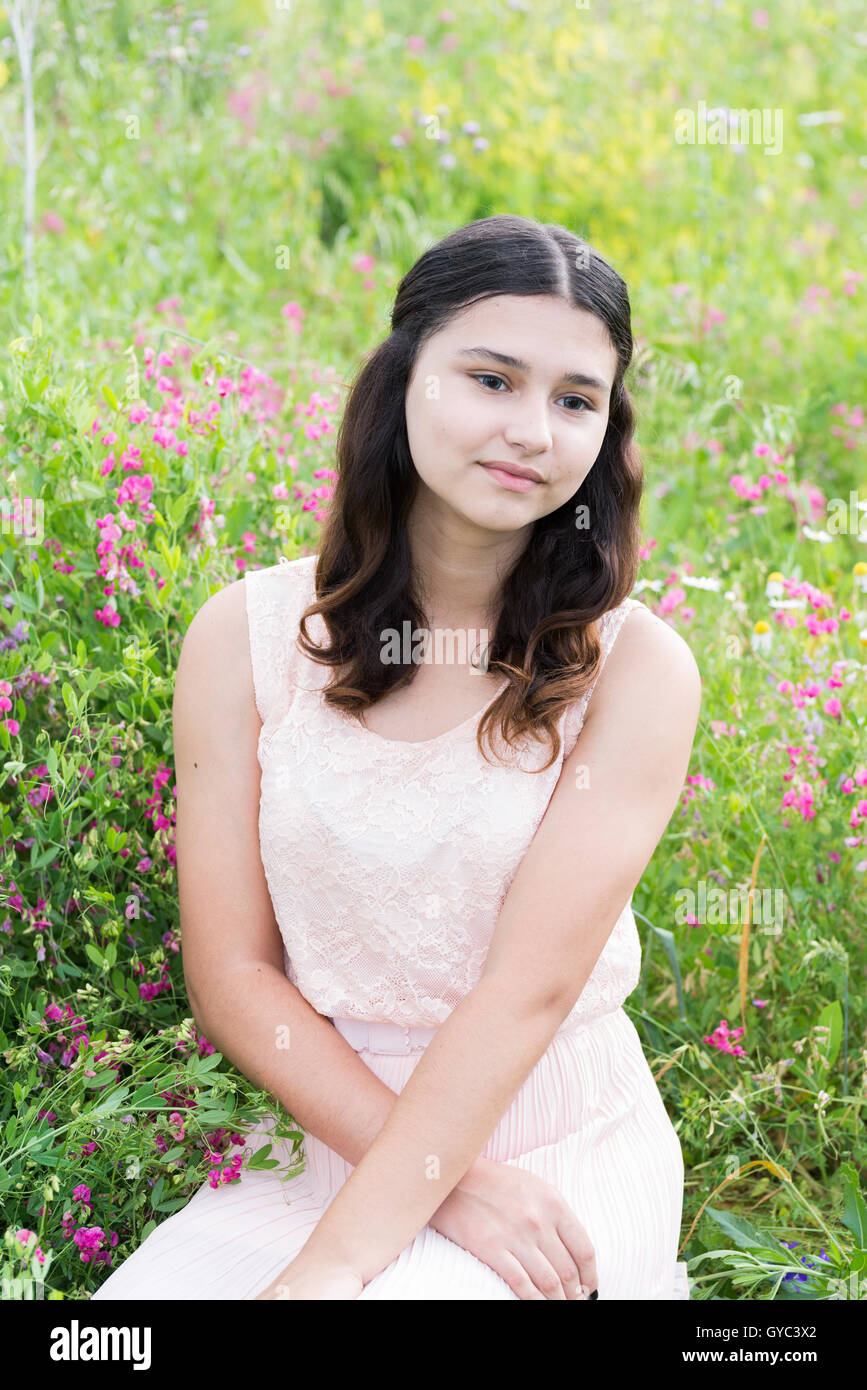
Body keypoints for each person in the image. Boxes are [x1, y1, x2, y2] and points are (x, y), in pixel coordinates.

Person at [92, 213, 701, 1302]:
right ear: (404, 379)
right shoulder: (243, 638)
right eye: (492, 379)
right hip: (325, 1140)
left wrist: (332, 1269)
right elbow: (232, 976)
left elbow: (529, 988)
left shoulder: (637, 670)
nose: (531, 429)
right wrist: (439, 1185)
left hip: (556, 1143)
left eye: (576, 400)